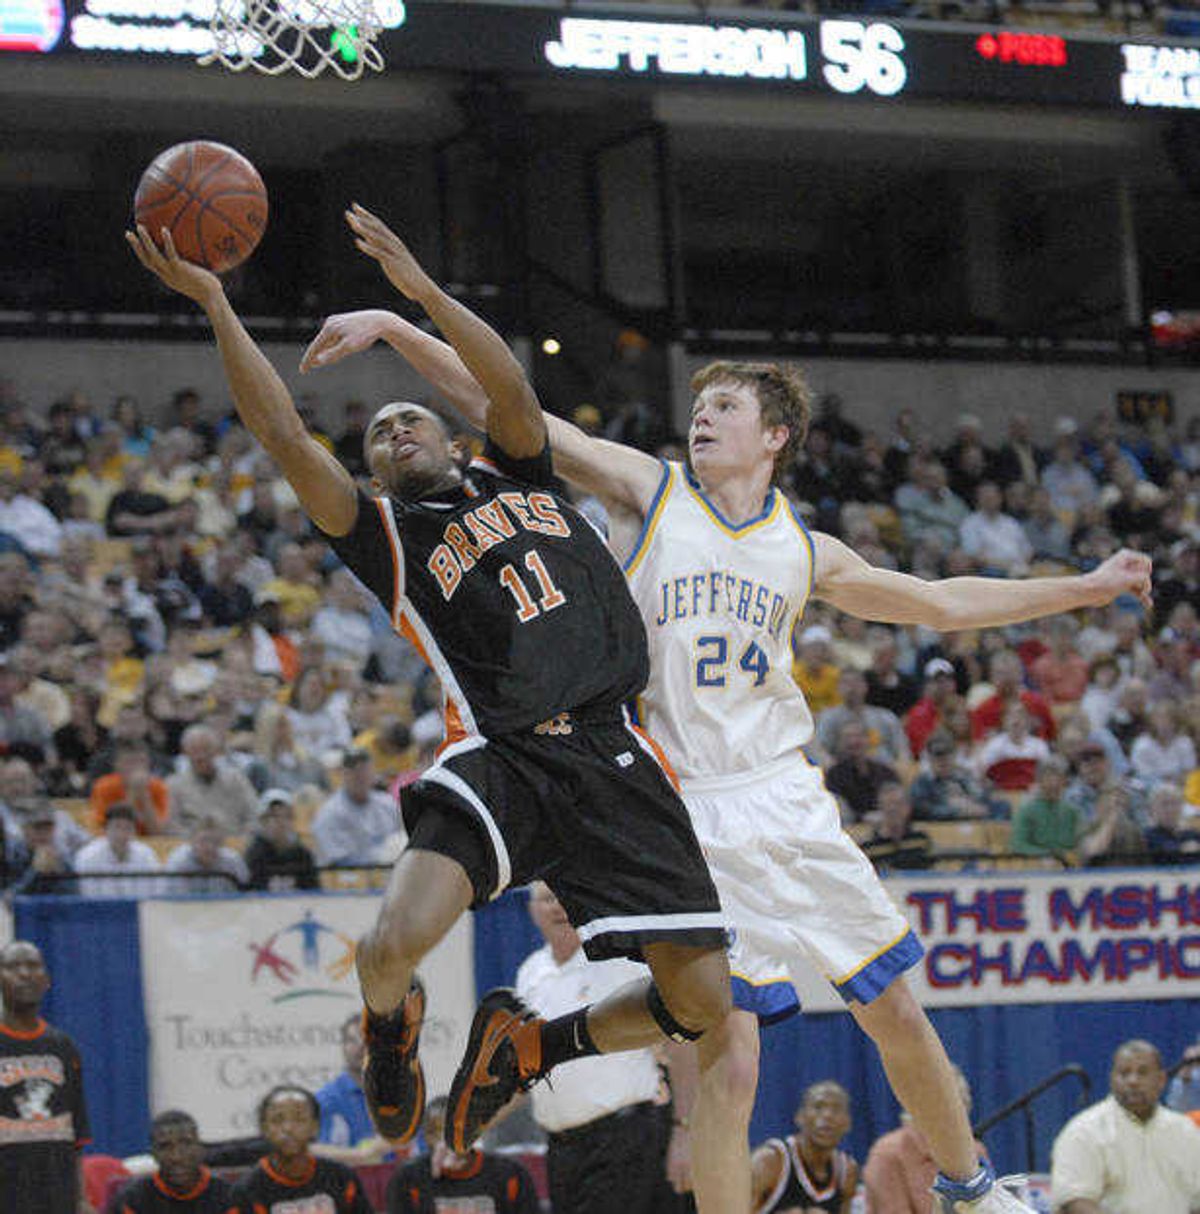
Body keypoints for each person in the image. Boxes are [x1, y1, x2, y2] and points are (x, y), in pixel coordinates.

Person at [310, 217, 1154, 1214]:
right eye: (700, 405)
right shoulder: (653, 487)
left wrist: (1082, 588)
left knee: (894, 1007)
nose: (701, 417)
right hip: (669, 790)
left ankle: (971, 1185)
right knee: (729, 1058)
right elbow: (504, 398)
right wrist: (402, 327)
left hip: (783, 793)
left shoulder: (807, 549)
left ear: (777, 434)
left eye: (724, 408)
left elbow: (938, 598)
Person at [129, 215, 730, 1162]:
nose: (394, 426)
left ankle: (532, 1045)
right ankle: (388, 1026)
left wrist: (418, 294)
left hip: (615, 749)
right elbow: (281, 431)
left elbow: (508, 384)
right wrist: (215, 302)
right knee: (388, 947)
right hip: (508, 753)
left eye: (408, 415)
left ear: (452, 438)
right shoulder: (387, 537)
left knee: (701, 1005)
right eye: (375, 432)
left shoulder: (519, 467)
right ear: (372, 470)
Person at [515, 881, 687, 1214]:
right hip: (561, 1145)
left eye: (563, 896)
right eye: (546, 899)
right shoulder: (530, 973)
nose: (556, 906)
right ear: (532, 910)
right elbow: (525, 1067)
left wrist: (684, 1129)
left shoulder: (618, 958)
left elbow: (679, 1041)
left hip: (623, 1136)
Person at [1050, 1039, 1200, 1214]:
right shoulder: (1083, 1131)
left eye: (1142, 1073)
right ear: (1112, 1079)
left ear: (1161, 1080)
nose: (1133, 1081)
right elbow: (1074, 1201)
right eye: (1124, 1073)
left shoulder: (1185, 1131)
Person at [0, 940, 93, 1214]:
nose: (25, 973)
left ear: (47, 980)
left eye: (33, 966)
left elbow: (76, 1137)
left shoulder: (64, 1047)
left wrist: (81, 1200)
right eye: (13, 967)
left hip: (57, 1198)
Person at [230, 1086, 373, 1214]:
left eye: (299, 1119)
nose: (288, 1128)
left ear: (315, 1127)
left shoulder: (341, 1177)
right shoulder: (248, 1190)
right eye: (277, 1120)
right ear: (264, 1129)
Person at [387, 1096, 538, 1214]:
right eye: (435, 1133)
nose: (445, 1141)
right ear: (425, 1137)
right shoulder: (407, 1180)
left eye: (452, 1132)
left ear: (470, 1131)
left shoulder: (510, 1174)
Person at [863, 1068, 984, 1214]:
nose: (959, 1116)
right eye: (949, 1105)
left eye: (963, 1103)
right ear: (919, 1105)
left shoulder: (975, 1151)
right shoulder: (887, 1153)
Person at [750, 1082, 858, 1214]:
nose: (827, 1116)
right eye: (818, 1107)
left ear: (848, 1124)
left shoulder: (847, 1171)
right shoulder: (769, 1160)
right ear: (799, 1117)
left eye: (836, 1109)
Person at [111, 1109, 236, 1213]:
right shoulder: (132, 1199)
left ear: (200, 1148)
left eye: (186, 1144)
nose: (176, 1157)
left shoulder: (229, 1196)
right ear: (153, 1154)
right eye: (164, 1147)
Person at [314, 1014, 392, 1168]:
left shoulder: (399, 1095)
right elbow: (315, 1153)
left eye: (367, 1039)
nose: (360, 1046)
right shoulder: (326, 1099)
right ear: (343, 1047)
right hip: (345, 1184)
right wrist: (364, 1154)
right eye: (352, 1040)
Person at [311, 748, 403, 867]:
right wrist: (382, 857)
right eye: (354, 771)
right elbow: (339, 861)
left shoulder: (388, 804)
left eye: (364, 770)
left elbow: (402, 839)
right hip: (349, 880)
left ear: (373, 773)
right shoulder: (329, 813)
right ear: (343, 775)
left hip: (389, 873)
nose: (360, 776)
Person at [167, 725, 258, 837]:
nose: (201, 756)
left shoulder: (236, 779)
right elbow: (171, 824)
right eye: (195, 750)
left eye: (205, 749)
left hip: (235, 843)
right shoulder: (174, 785)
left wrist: (243, 839)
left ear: (216, 751)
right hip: (192, 847)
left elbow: (254, 814)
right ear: (185, 753)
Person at [74, 804, 163, 898]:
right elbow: (88, 897)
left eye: (128, 828)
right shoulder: (87, 857)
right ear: (105, 829)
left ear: (135, 832)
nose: (121, 834)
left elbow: (155, 894)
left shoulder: (147, 856)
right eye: (116, 827)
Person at [244, 790, 320, 892]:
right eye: (274, 816)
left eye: (286, 816)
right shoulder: (254, 855)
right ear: (262, 821)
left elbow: (314, 894)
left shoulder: (302, 855)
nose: (281, 822)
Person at [163, 816, 250, 893]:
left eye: (215, 842)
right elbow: (171, 899)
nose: (210, 847)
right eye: (204, 841)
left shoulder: (233, 863)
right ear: (192, 842)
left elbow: (246, 894)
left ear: (222, 844)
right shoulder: (179, 862)